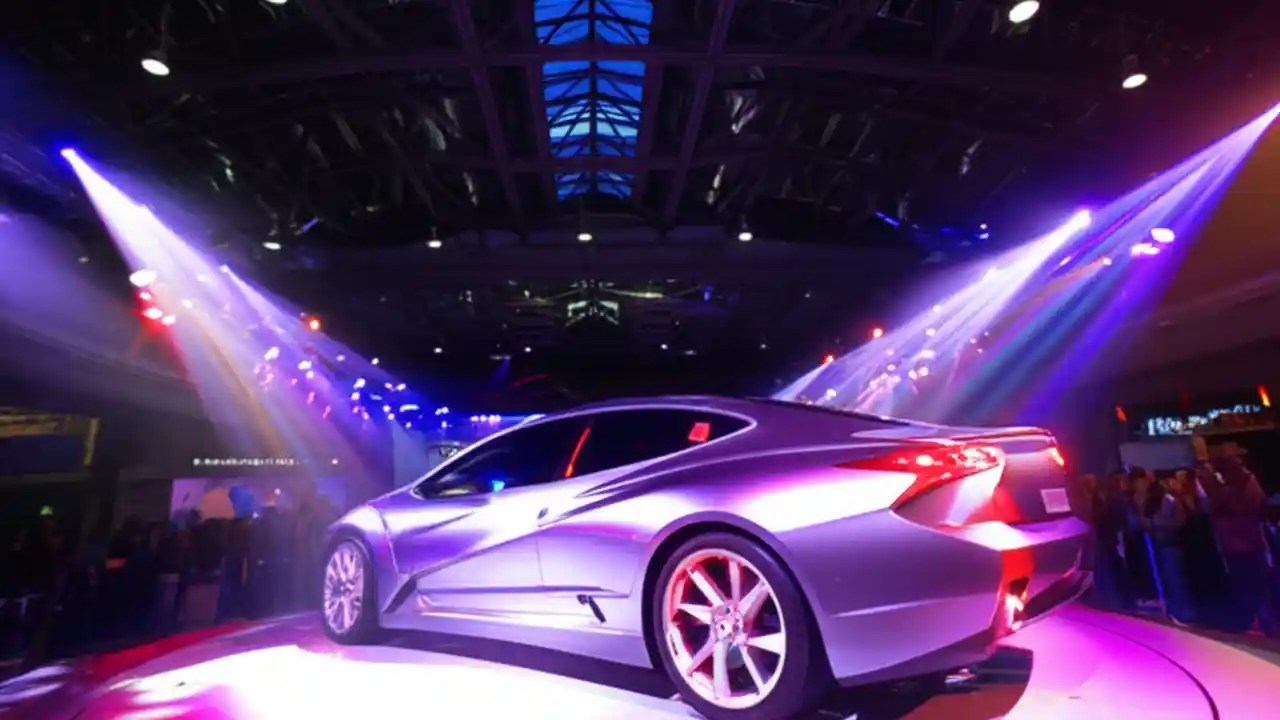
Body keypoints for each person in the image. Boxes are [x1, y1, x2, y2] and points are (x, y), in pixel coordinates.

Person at [1207, 457, 1270, 633]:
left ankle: (1260, 621)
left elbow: (1242, 509)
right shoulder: (1236, 487)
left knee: (1253, 584)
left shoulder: (1246, 485)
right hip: (1237, 544)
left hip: (1246, 543)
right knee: (1246, 584)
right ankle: (1253, 620)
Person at [1145, 473, 1194, 624]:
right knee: (1172, 578)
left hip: (1168, 543)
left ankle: (1181, 610)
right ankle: (1177, 610)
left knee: (1174, 577)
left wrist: (1161, 525)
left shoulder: (1167, 500)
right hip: (1164, 543)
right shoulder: (1160, 500)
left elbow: (1178, 520)